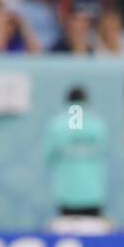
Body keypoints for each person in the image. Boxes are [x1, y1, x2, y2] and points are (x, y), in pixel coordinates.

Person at [44, 86, 108, 219]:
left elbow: (48, 157)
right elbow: (104, 152)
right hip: (93, 194)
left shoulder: (56, 125)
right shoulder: (97, 124)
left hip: (66, 194)